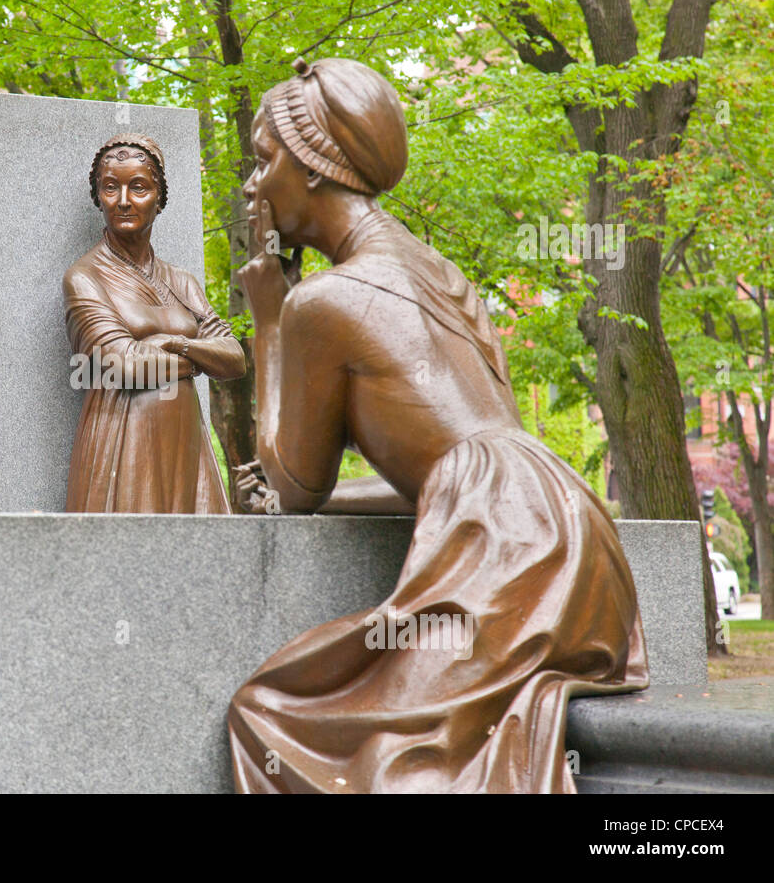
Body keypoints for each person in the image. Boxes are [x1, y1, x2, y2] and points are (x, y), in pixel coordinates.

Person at [227, 58, 648, 793]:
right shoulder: (446, 275)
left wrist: (267, 318)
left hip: (507, 551)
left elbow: (294, 487)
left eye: (264, 161)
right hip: (568, 525)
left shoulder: (319, 303)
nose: (253, 187)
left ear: (317, 166)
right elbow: (450, 473)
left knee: (274, 715)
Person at [62, 134, 245, 513]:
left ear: (160, 199)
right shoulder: (85, 277)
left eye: (139, 187)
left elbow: (234, 360)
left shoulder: (181, 281)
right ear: (98, 198)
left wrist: (177, 345)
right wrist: (199, 362)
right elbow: (121, 365)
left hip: (187, 440)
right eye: (111, 188)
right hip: (122, 438)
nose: (124, 201)